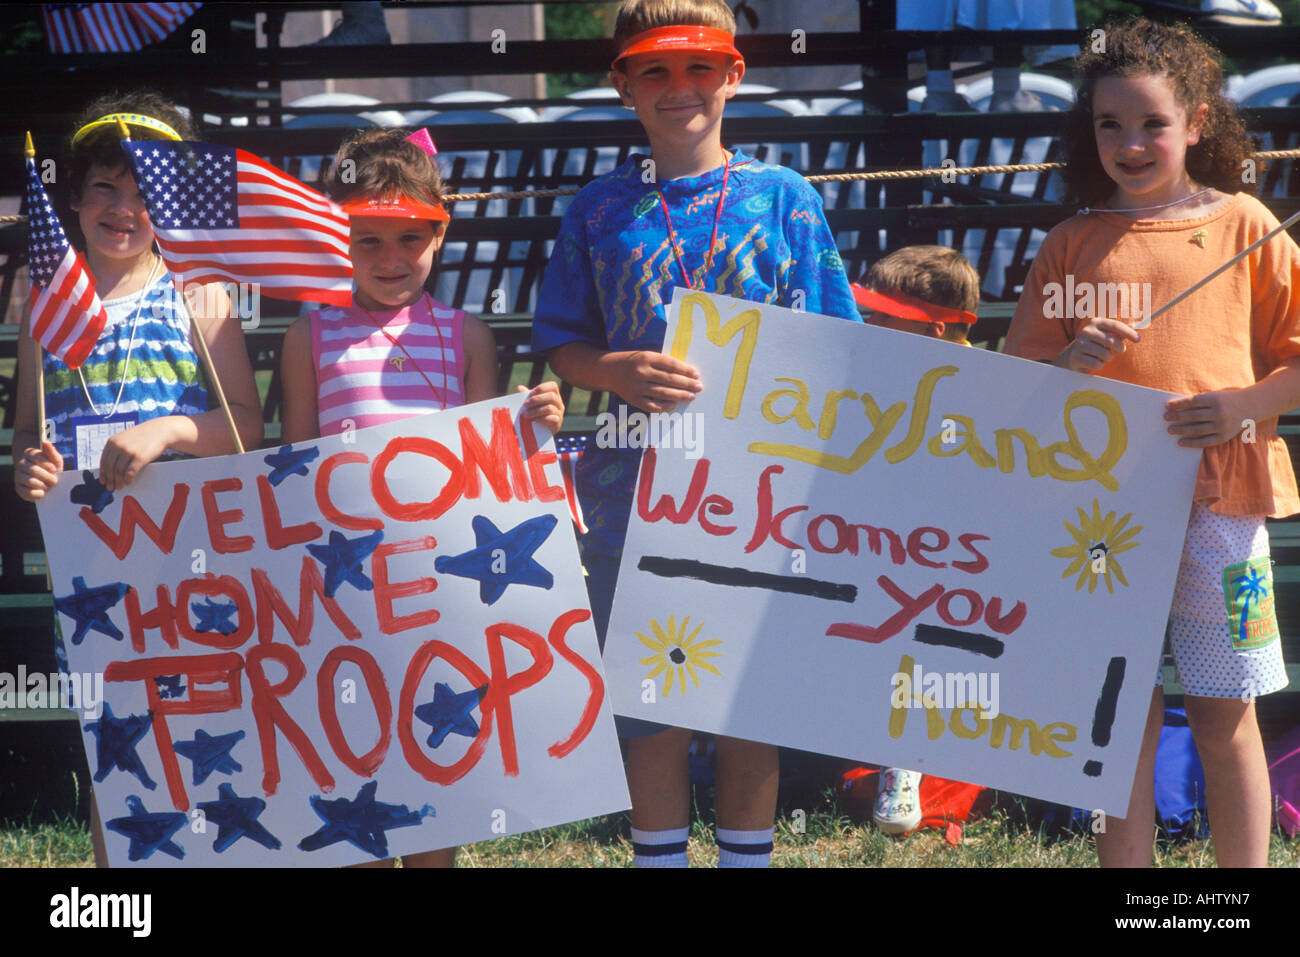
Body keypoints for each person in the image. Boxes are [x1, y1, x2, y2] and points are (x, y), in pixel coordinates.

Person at [530, 0, 860, 868]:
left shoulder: (785, 198)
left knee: (751, 696)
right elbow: (560, 337)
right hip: (631, 489)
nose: (680, 88)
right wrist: (613, 372)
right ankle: (660, 857)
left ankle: (748, 855)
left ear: (734, 75)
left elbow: (841, 340)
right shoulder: (600, 207)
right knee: (653, 698)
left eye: (699, 67)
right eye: (655, 71)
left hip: (763, 494)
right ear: (622, 85)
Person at [1004, 18, 1299, 867]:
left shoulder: (1245, 224)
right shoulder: (1069, 243)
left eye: (1152, 124)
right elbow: (1018, 397)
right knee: (1115, 712)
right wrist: (1065, 360)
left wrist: (1246, 404)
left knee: (1225, 710)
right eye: (1109, 125)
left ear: (1197, 123)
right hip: (1092, 522)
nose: (1131, 144)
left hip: (1225, 512)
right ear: (1087, 131)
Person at [278, 126, 564, 868]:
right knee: (360, 770)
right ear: (336, 236)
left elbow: (493, 466)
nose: (391, 258)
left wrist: (539, 422)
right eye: (367, 240)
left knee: (436, 780)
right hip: (346, 595)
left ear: (440, 230)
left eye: (411, 237)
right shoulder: (309, 338)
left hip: (443, 591)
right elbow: (293, 468)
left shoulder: (465, 335)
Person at [12, 90, 264, 866]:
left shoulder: (200, 295)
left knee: (203, 739)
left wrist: (169, 429)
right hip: (91, 573)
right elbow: (28, 427)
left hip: (187, 564)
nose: (124, 208)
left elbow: (247, 431)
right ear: (75, 198)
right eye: (104, 189)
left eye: (144, 192)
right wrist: (30, 464)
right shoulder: (46, 304)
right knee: (111, 752)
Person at [851, 245, 981, 834]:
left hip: (968, 574)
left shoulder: (992, 392)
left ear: (934, 329)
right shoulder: (864, 378)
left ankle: (922, 771)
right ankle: (895, 765)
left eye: (881, 314)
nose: (867, 324)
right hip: (882, 559)